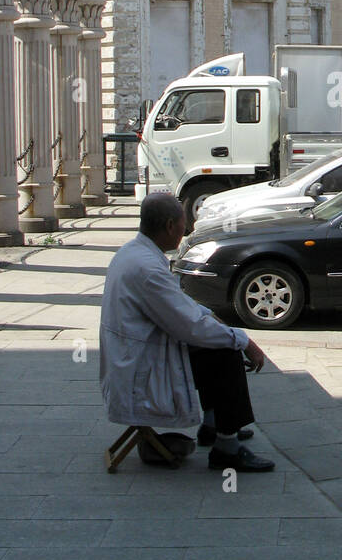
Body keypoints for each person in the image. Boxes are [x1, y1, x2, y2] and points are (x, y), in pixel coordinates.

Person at [100, 191, 274, 472]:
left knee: (215, 339)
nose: (186, 231)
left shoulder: (133, 252)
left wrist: (213, 318)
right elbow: (189, 326)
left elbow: (179, 308)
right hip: (139, 369)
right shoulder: (146, 268)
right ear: (170, 226)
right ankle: (226, 448)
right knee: (225, 352)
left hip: (136, 356)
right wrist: (244, 341)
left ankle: (214, 424)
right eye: (183, 226)